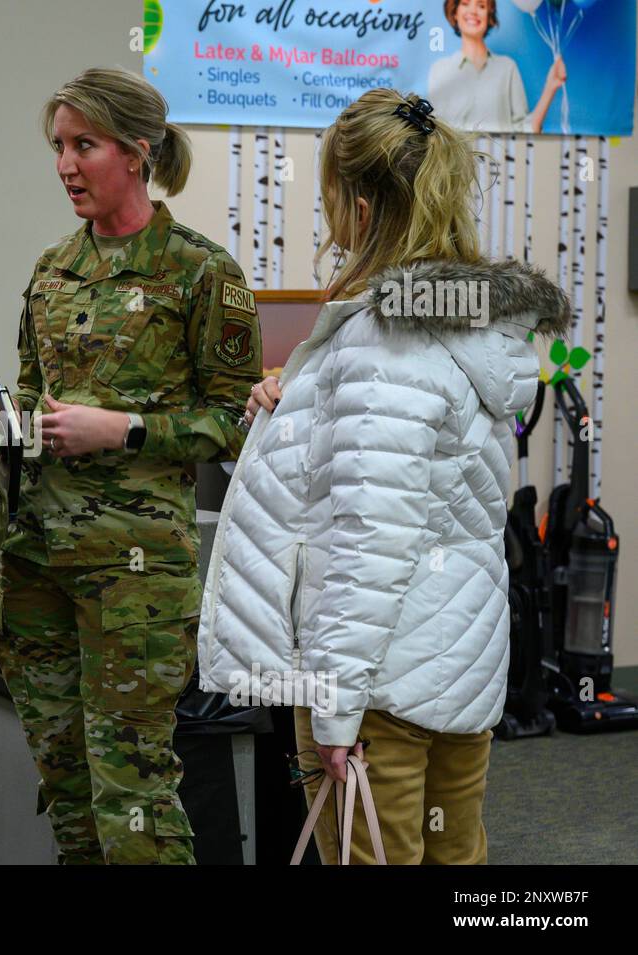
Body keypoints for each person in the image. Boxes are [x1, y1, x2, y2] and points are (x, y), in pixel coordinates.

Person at [197, 89, 570, 864]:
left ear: (360, 207)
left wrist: (331, 714)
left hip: (374, 687)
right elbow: (421, 488)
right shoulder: (470, 325)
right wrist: (286, 406)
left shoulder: (382, 340)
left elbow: (367, 542)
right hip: (458, 665)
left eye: (331, 192)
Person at [0, 66, 262, 865]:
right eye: (58, 146)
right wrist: (5, 418)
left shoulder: (204, 273)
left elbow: (234, 424)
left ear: (138, 151)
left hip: (133, 578)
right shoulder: (51, 269)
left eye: (84, 145)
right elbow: (34, 390)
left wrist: (124, 429)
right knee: (66, 790)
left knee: (131, 794)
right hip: (34, 565)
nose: (65, 163)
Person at [427, 0, 566, 133]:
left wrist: (550, 87)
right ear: (455, 13)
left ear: (489, 15)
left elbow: (524, 130)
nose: (473, 11)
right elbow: (434, 130)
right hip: (455, 157)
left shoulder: (507, 68)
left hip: (499, 156)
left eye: (481, 6)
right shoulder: (440, 70)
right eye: (465, 3)